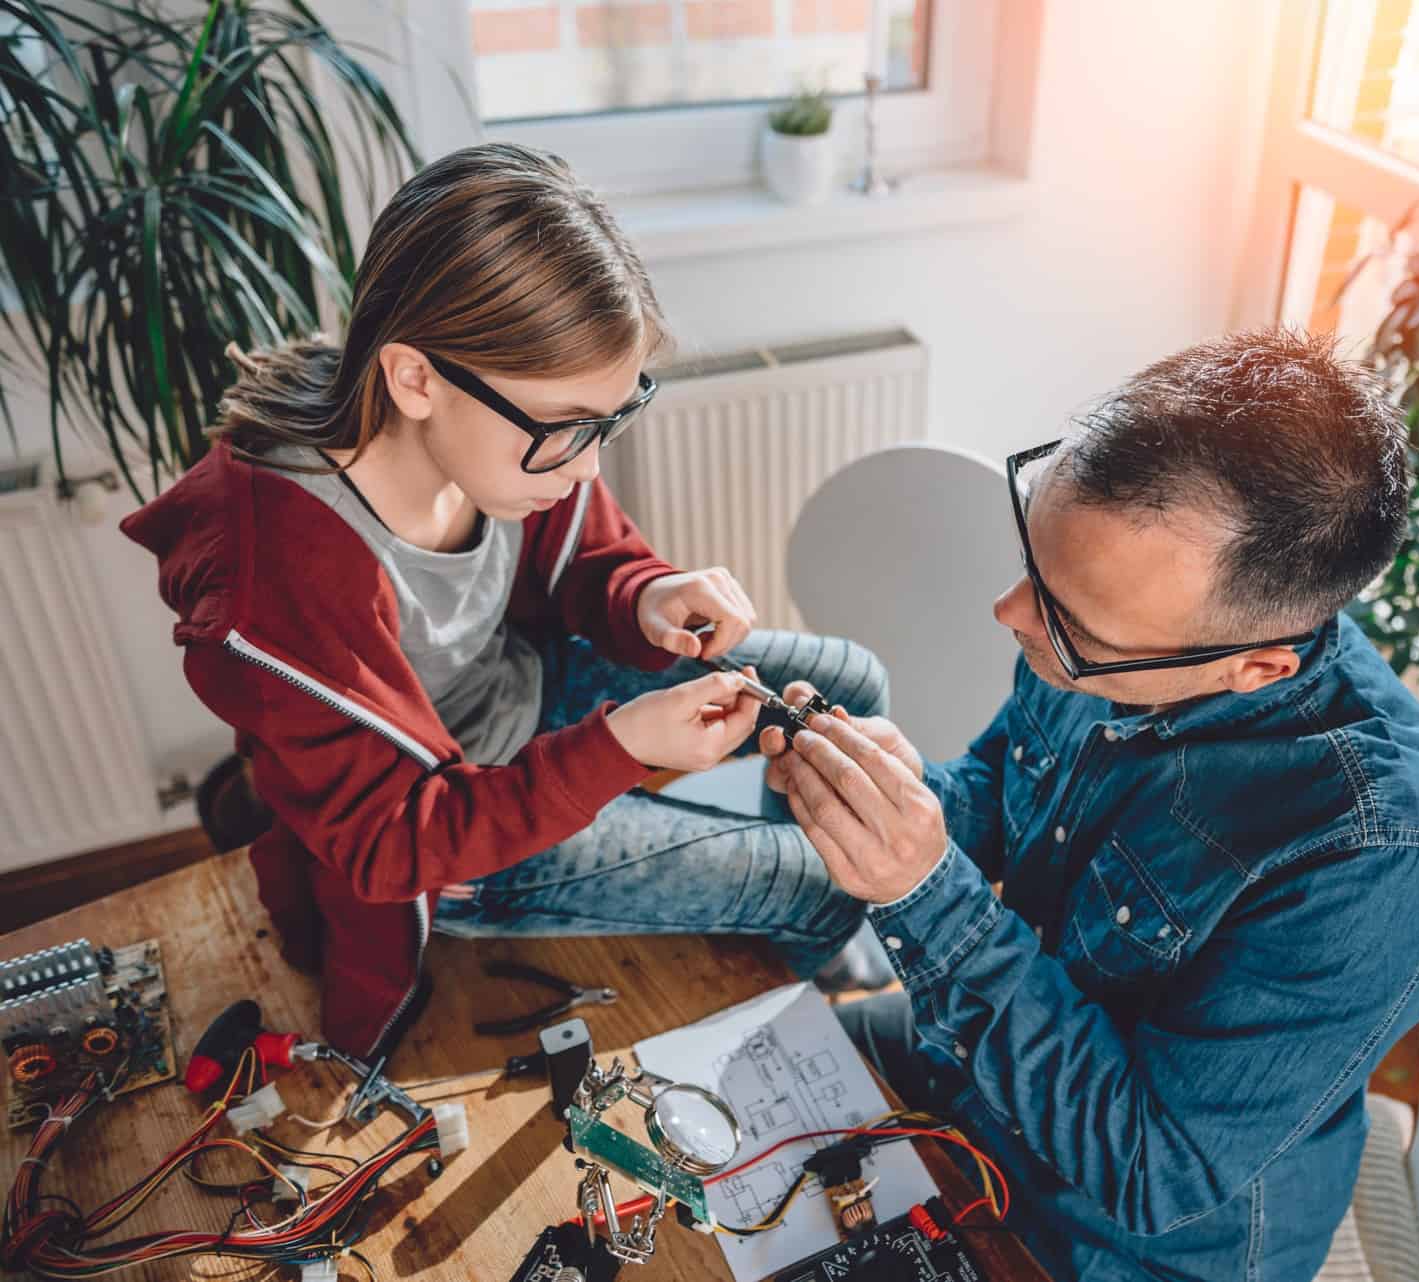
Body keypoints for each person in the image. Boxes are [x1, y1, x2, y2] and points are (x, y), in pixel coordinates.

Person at [121, 143, 883, 1059]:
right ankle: (791, 989)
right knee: (827, 882)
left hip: (523, 695)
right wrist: (619, 752)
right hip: (443, 844)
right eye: (566, 431)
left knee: (853, 683)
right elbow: (388, 844)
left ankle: (760, 923)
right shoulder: (274, 583)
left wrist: (643, 593)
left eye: (611, 420)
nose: (589, 467)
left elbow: (587, 556)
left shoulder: (495, 437)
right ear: (415, 380)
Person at [763, 329, 1419, 1281]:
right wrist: (898, 794)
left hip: (1116, 1240)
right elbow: (999, 801)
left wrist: (922, 889)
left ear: (1254, 667)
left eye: (1070, 621)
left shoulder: (1382, 857)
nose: (1011, 612)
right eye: (1034, 560)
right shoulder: (1116, 632)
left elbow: (1150, 1169)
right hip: (967, 1070)